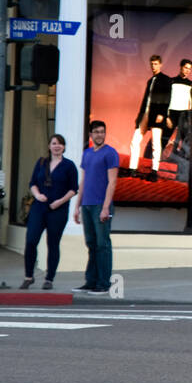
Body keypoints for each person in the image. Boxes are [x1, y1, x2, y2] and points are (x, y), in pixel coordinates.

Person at [21, 134, 79, 289]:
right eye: (54, 143)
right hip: (39, 208)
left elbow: (74, 189)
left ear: (64, 147)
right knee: (31, 240)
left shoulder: (69, 166)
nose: (57, 146)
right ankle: (28, 276)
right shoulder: (41, 163)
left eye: (60, 144)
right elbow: (32, 183)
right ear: (49, 146)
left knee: (53, 243)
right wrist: (37, 195)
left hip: (57, 210)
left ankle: (49, 279)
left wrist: (59, 202)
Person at [73, 120, 119, 295]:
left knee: (103, 244)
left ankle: (103, 283)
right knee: (91, 244)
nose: (100, 135)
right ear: (91, 135)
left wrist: (106, 207)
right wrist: (77, 206)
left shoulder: (111, 153)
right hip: (87, 205)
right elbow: (83, 181)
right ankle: (90, 281)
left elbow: (112, 182)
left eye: (102, 132)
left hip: (101, 204)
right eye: (96, 132)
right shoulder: (87, 154)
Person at [128, 54, 172, 179]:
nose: (153, 66)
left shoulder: (166, 79)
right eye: (152, 64)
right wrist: (140, 116)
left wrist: (162, 114)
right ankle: (132, 169)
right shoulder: (150, 80)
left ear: (160, 64)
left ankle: (154, 171)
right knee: (135, 140)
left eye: (156, 64)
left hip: (157, 115)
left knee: (156, 144)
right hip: (146, 114)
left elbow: (167, 98)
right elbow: (145, 100)